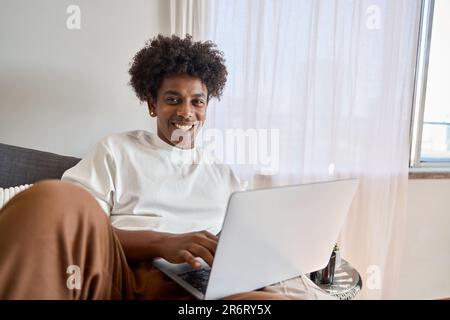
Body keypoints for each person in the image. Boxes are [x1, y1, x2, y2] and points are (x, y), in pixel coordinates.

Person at [0, 34, 331, 300]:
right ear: (151, 104)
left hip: (197, 288)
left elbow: (240, 250)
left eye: (197, 101)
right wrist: (164, 242)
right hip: (124, 275)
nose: (186, 112)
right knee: (55, 198)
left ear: (206, 106)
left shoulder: (225, 176)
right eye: (173, 99)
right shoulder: (118, 150)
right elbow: (79, 232)